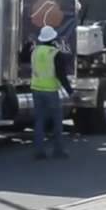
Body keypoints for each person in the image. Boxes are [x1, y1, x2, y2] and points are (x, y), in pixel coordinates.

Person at [29, 25, 74, 160]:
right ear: (53, 38)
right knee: (57, 121)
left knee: (39, 121)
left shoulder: (35, 51)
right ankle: (58, 150)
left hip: (36, 89)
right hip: (50, 91)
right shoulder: (55, 54)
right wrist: (70, 91)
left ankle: (39, 151)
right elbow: (61, 75)